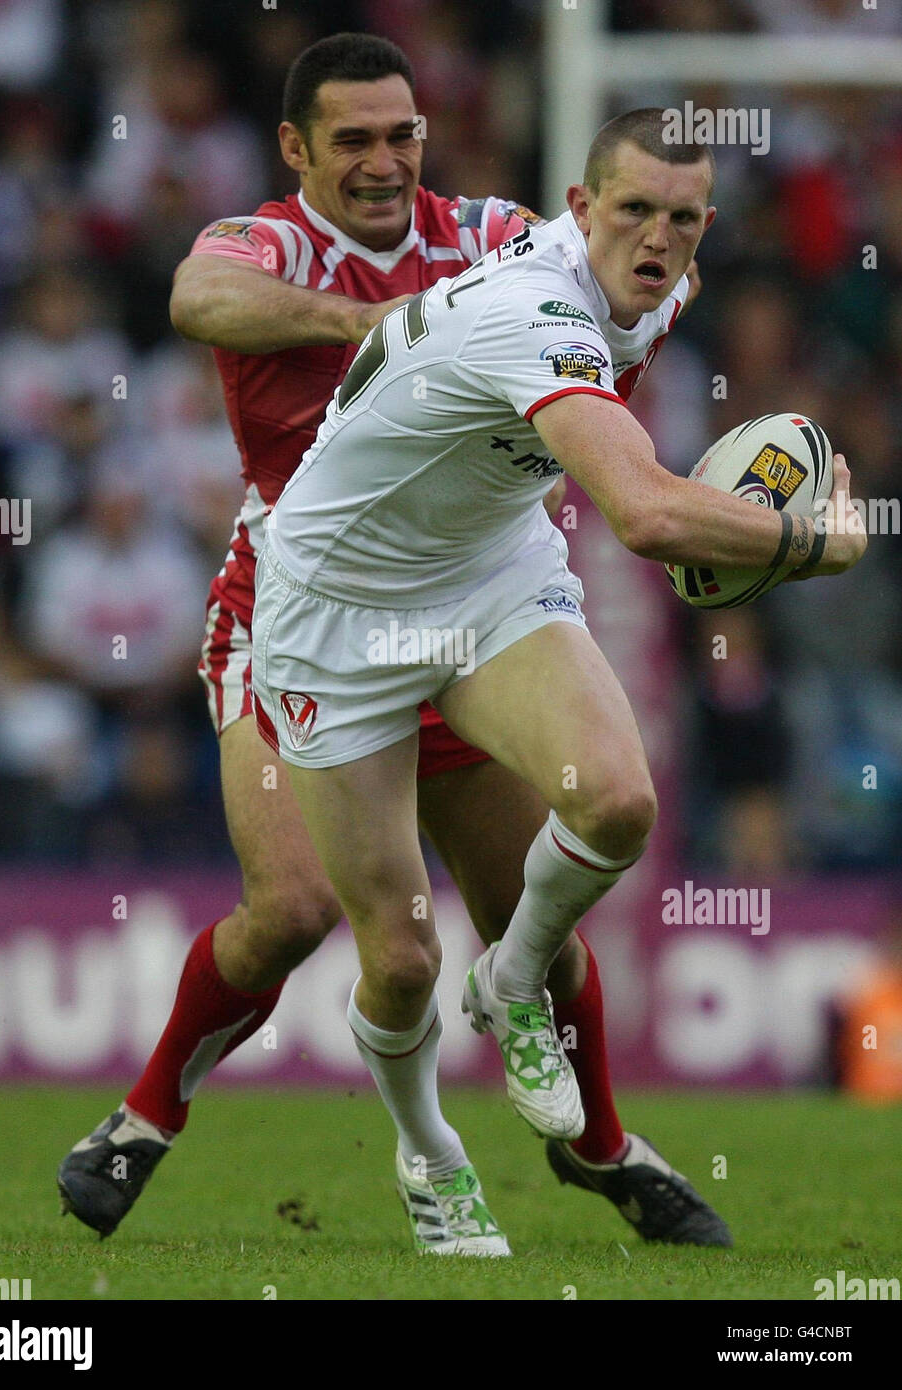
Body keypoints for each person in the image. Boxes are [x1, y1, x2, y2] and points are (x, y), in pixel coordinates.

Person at [58, 36, 729, 1255]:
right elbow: (193, 297)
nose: (383, 160)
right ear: (294, 149)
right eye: (353, 138)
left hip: (469, 598)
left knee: (538, 894)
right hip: (296, 604)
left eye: (402, 133)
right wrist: (388, 320)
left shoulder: (486, 232)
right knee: (306, 910)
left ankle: (598, 1145)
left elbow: (593, 259)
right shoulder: (263, 244)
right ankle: (146, 1116)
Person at [248, 103, 867, 1253]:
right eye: (630, 210)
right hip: (335, 607)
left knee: (619, 799)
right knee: (397, 954)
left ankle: (517, 977)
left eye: (681, 219)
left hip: (486, 568)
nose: (655, 238)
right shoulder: (536, 307)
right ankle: (431, 1152)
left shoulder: (663, 292)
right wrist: (806, 545)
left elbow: (615, 461)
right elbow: (639, 512)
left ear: (704, 226)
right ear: (578, 209)